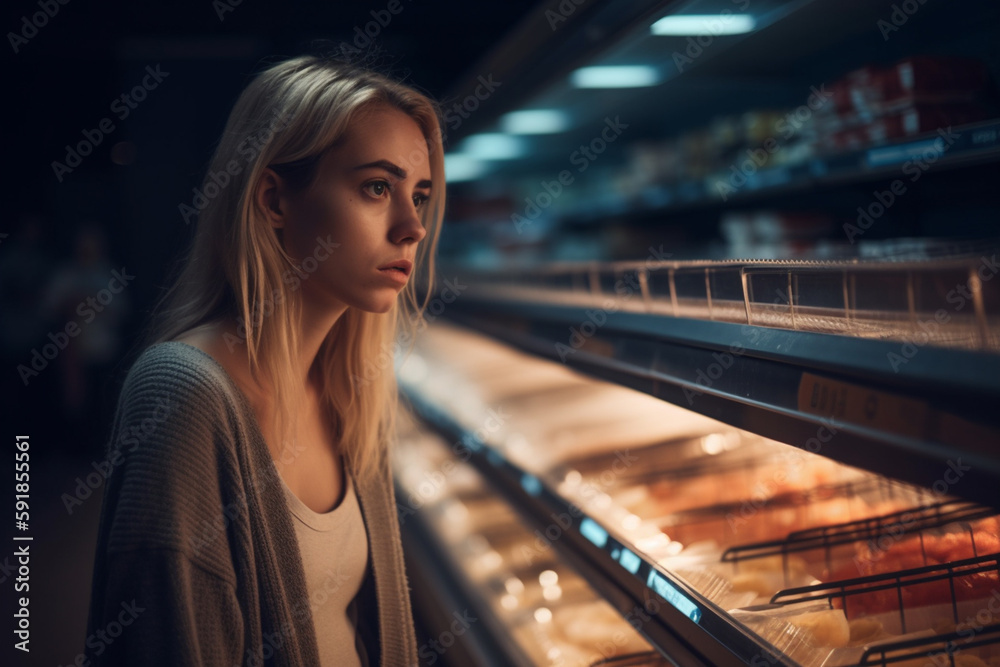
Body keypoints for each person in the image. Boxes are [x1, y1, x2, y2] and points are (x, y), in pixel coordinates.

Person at [84, 54, 446, 666]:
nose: (413, 226)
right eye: (377, 187)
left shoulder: (350, 392)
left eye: (421, 195)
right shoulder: (182, 394)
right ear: (275, 200)